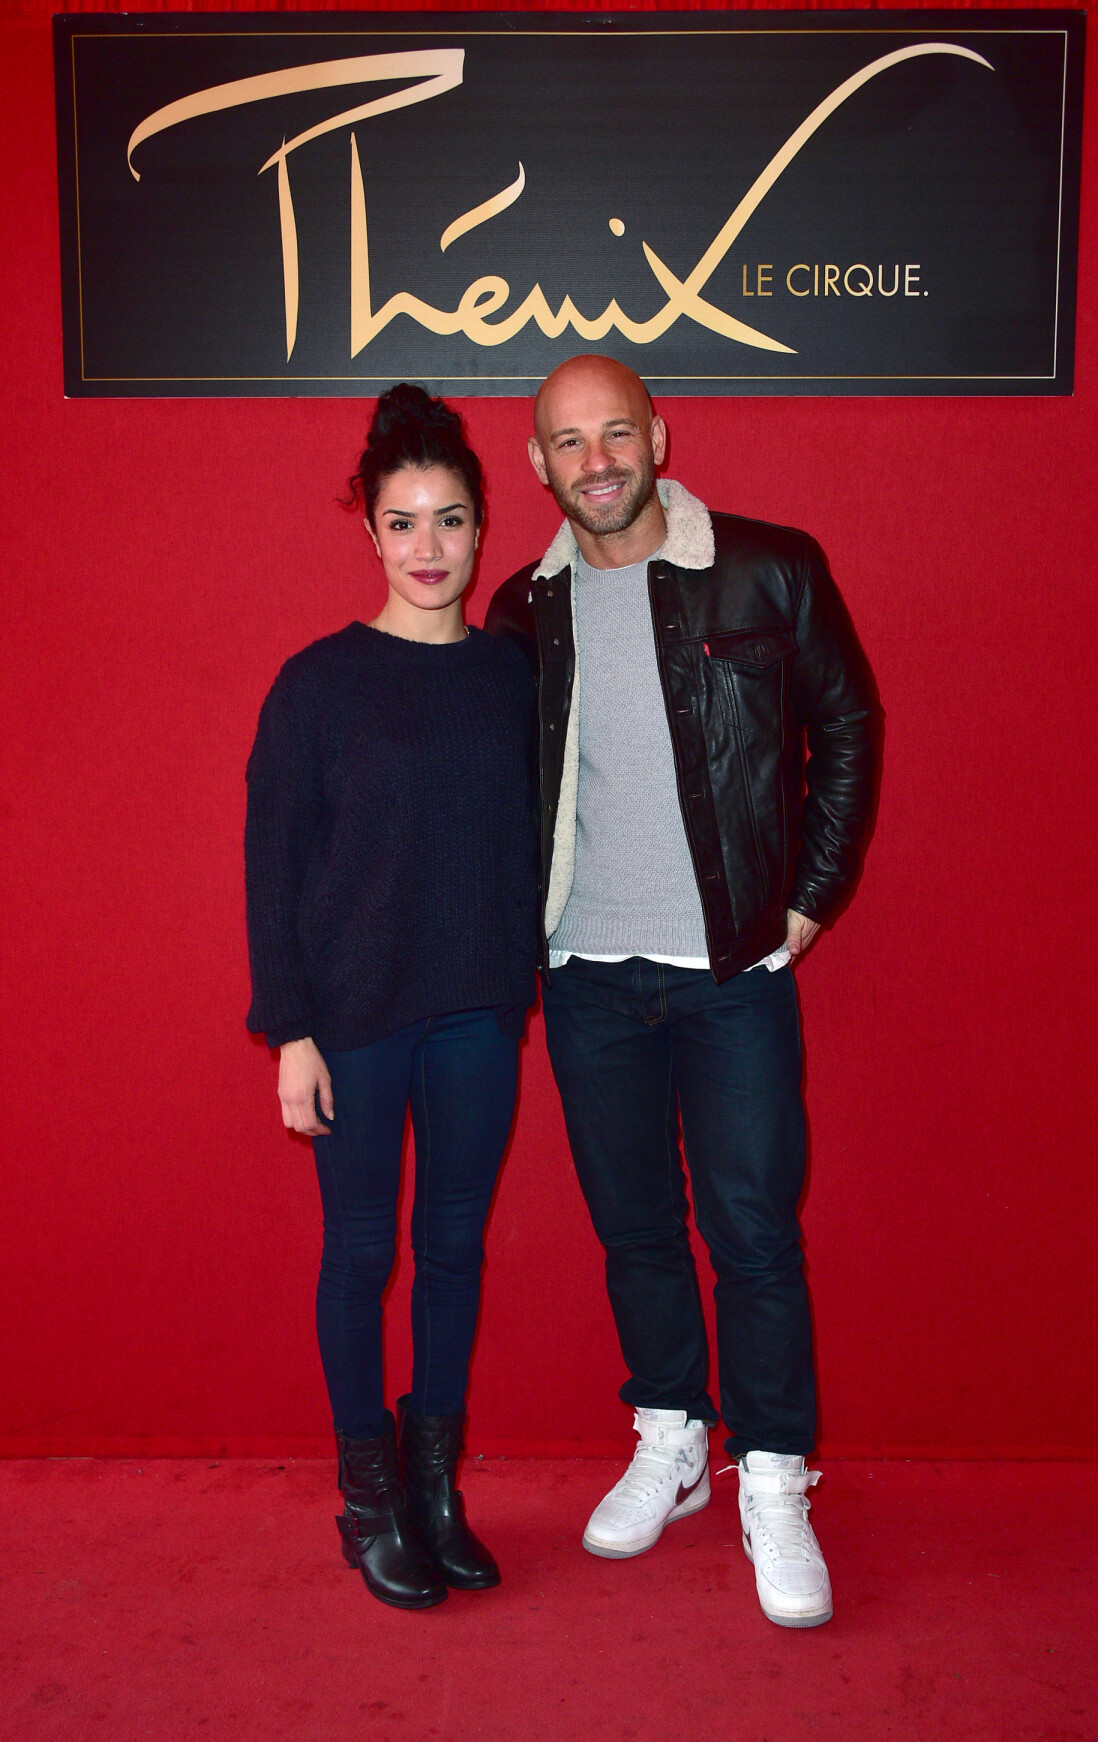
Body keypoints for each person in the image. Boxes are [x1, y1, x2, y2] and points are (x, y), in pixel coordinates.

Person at [487, 355, 879, 1630]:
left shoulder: (770, 568)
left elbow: (848, 724)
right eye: (568, 441)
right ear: (538, 463)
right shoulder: (524, 609)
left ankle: (772, 1471)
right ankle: (671, 1433)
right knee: (637, 1226)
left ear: (658, 435)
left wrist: (809, 898)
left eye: (616, 432)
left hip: (729, 973)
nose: (596, 461)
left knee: (754, 1231)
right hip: (587, 975)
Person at [245, 385, 538, 1611]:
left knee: (453, 1248)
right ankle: (369, 1500)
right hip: (355, 1018)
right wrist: (290, 1032)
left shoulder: (515, 675)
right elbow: (272, 864)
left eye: (450, 520)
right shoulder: (316, 685)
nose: (428, 547)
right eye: (403, 521)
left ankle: (434, 1487)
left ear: (481, 528)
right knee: (362, 1253)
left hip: (478, 1010)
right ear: (369, 528)